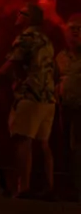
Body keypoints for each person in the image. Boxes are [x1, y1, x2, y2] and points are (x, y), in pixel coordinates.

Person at [0, 3, 56, 197]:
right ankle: (49, 187)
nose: (17, 14)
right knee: (44, 144)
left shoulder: (26, 37)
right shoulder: (46, 40)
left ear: (29, 18)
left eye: (21, 13)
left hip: (29, 95)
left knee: (23, 141)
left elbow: (10, 64)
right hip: (48, 98)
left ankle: (24, 188)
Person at [57, 14, 81, 199]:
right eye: (71, 28)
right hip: (66, 108)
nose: (75, 31)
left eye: (79, 28)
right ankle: (71, 187)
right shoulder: (61, 57)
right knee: (68, 149)